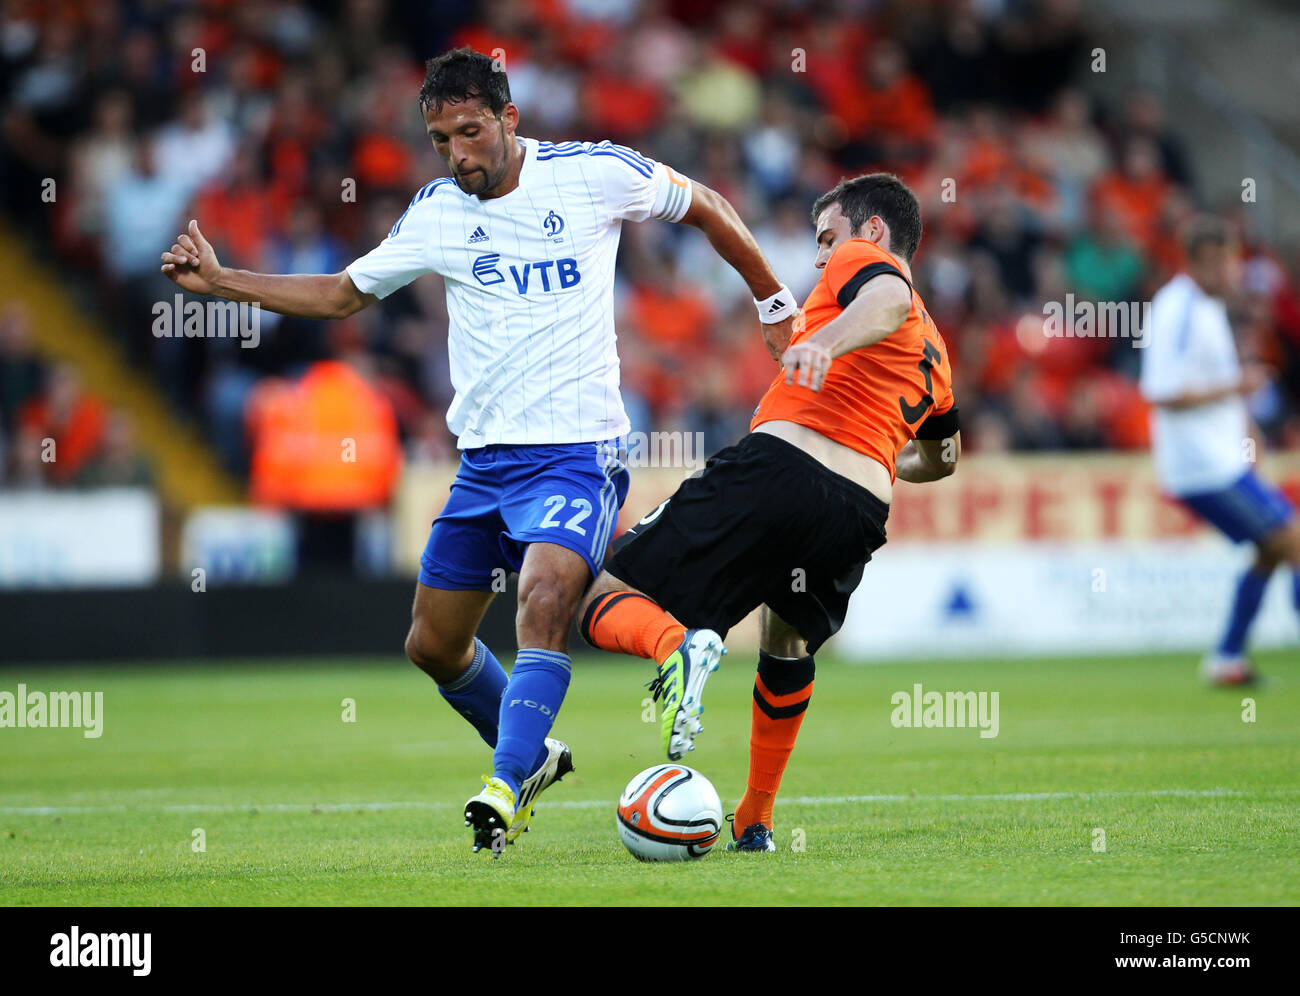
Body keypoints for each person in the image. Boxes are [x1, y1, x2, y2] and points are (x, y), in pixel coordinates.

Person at [160, 48, 797, 853]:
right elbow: (342, 293)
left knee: (543, 600)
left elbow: (703, 203)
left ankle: (505, 781)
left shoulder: (593, 173)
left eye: (469, 132)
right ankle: (537, 755)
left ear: (509, 119)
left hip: (576, 449)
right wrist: (222, 283)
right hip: (485, 462)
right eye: (439, 140)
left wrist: (774, 301)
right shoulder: (434, 213)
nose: (458, 154)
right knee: (432, 643)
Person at [576, 173, 961, 851]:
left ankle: (677, 649)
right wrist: (877, 452)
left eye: (828, 236)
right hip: (859, 509)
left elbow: (888, 296)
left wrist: (825, 342)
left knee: (601, 598)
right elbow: (945, 458)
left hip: (781, 471)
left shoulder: (867, 268)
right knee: (787, 643)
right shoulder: (938, 355)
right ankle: (755, 820)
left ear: (872, 231)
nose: (821, 256)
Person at [1139, 214, 1300, 686]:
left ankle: (1228, 657)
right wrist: (1238, 384)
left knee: (1272, 549)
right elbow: (1162, 391)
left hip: (1223, 460)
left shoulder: (1206, 308)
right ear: (1203, 262)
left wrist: (1249, 436)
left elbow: (1219, 392)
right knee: (1292, 541)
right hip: (1198, 466)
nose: (1235, 273)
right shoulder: (1177, 309)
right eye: (1229, 263)